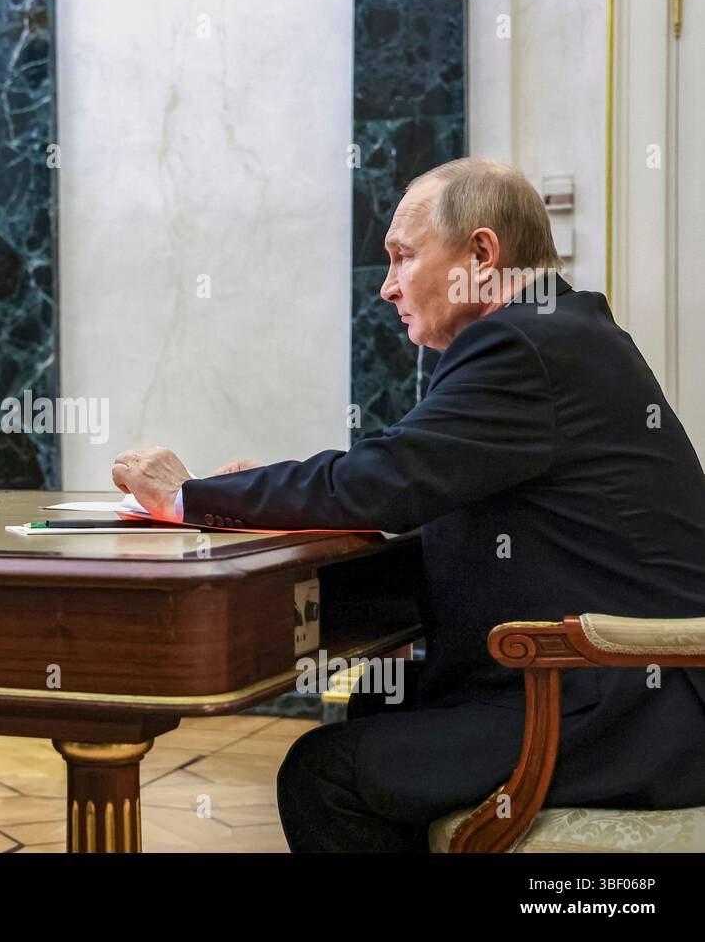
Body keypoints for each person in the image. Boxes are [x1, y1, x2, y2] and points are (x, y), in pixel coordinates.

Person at [110, 158, 705, 852]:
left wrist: (188, 497)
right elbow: (414, 472)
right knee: (376, 701)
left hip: (622, 708)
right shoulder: (558, 329)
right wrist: (271, 487)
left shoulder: (521, 343)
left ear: (481, 255)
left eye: (402, 257)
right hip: (620, 689)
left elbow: (387, 476)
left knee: (323, 773)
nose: (389, 287)